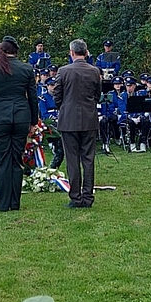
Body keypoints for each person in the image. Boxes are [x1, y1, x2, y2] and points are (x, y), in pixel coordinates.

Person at [0, 36, 37, 212]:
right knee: (16, 160)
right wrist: (34, 121)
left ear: (2, 51)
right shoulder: (26, 69)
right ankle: (15, 202)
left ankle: (3, 203)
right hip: (21, 117)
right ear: (16, 52)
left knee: (3, 161)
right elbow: (33, 98)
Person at [54, 39, 103, 209]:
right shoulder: (95, 71)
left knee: (72, 159)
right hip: (89, 119)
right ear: (86, 52)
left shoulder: (63, 71)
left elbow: (57, 97)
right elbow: (97, 95)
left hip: (69, 120)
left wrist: (66, 108)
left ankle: (76, 197)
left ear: (72, 53)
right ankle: (88, 198)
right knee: (88, 159)